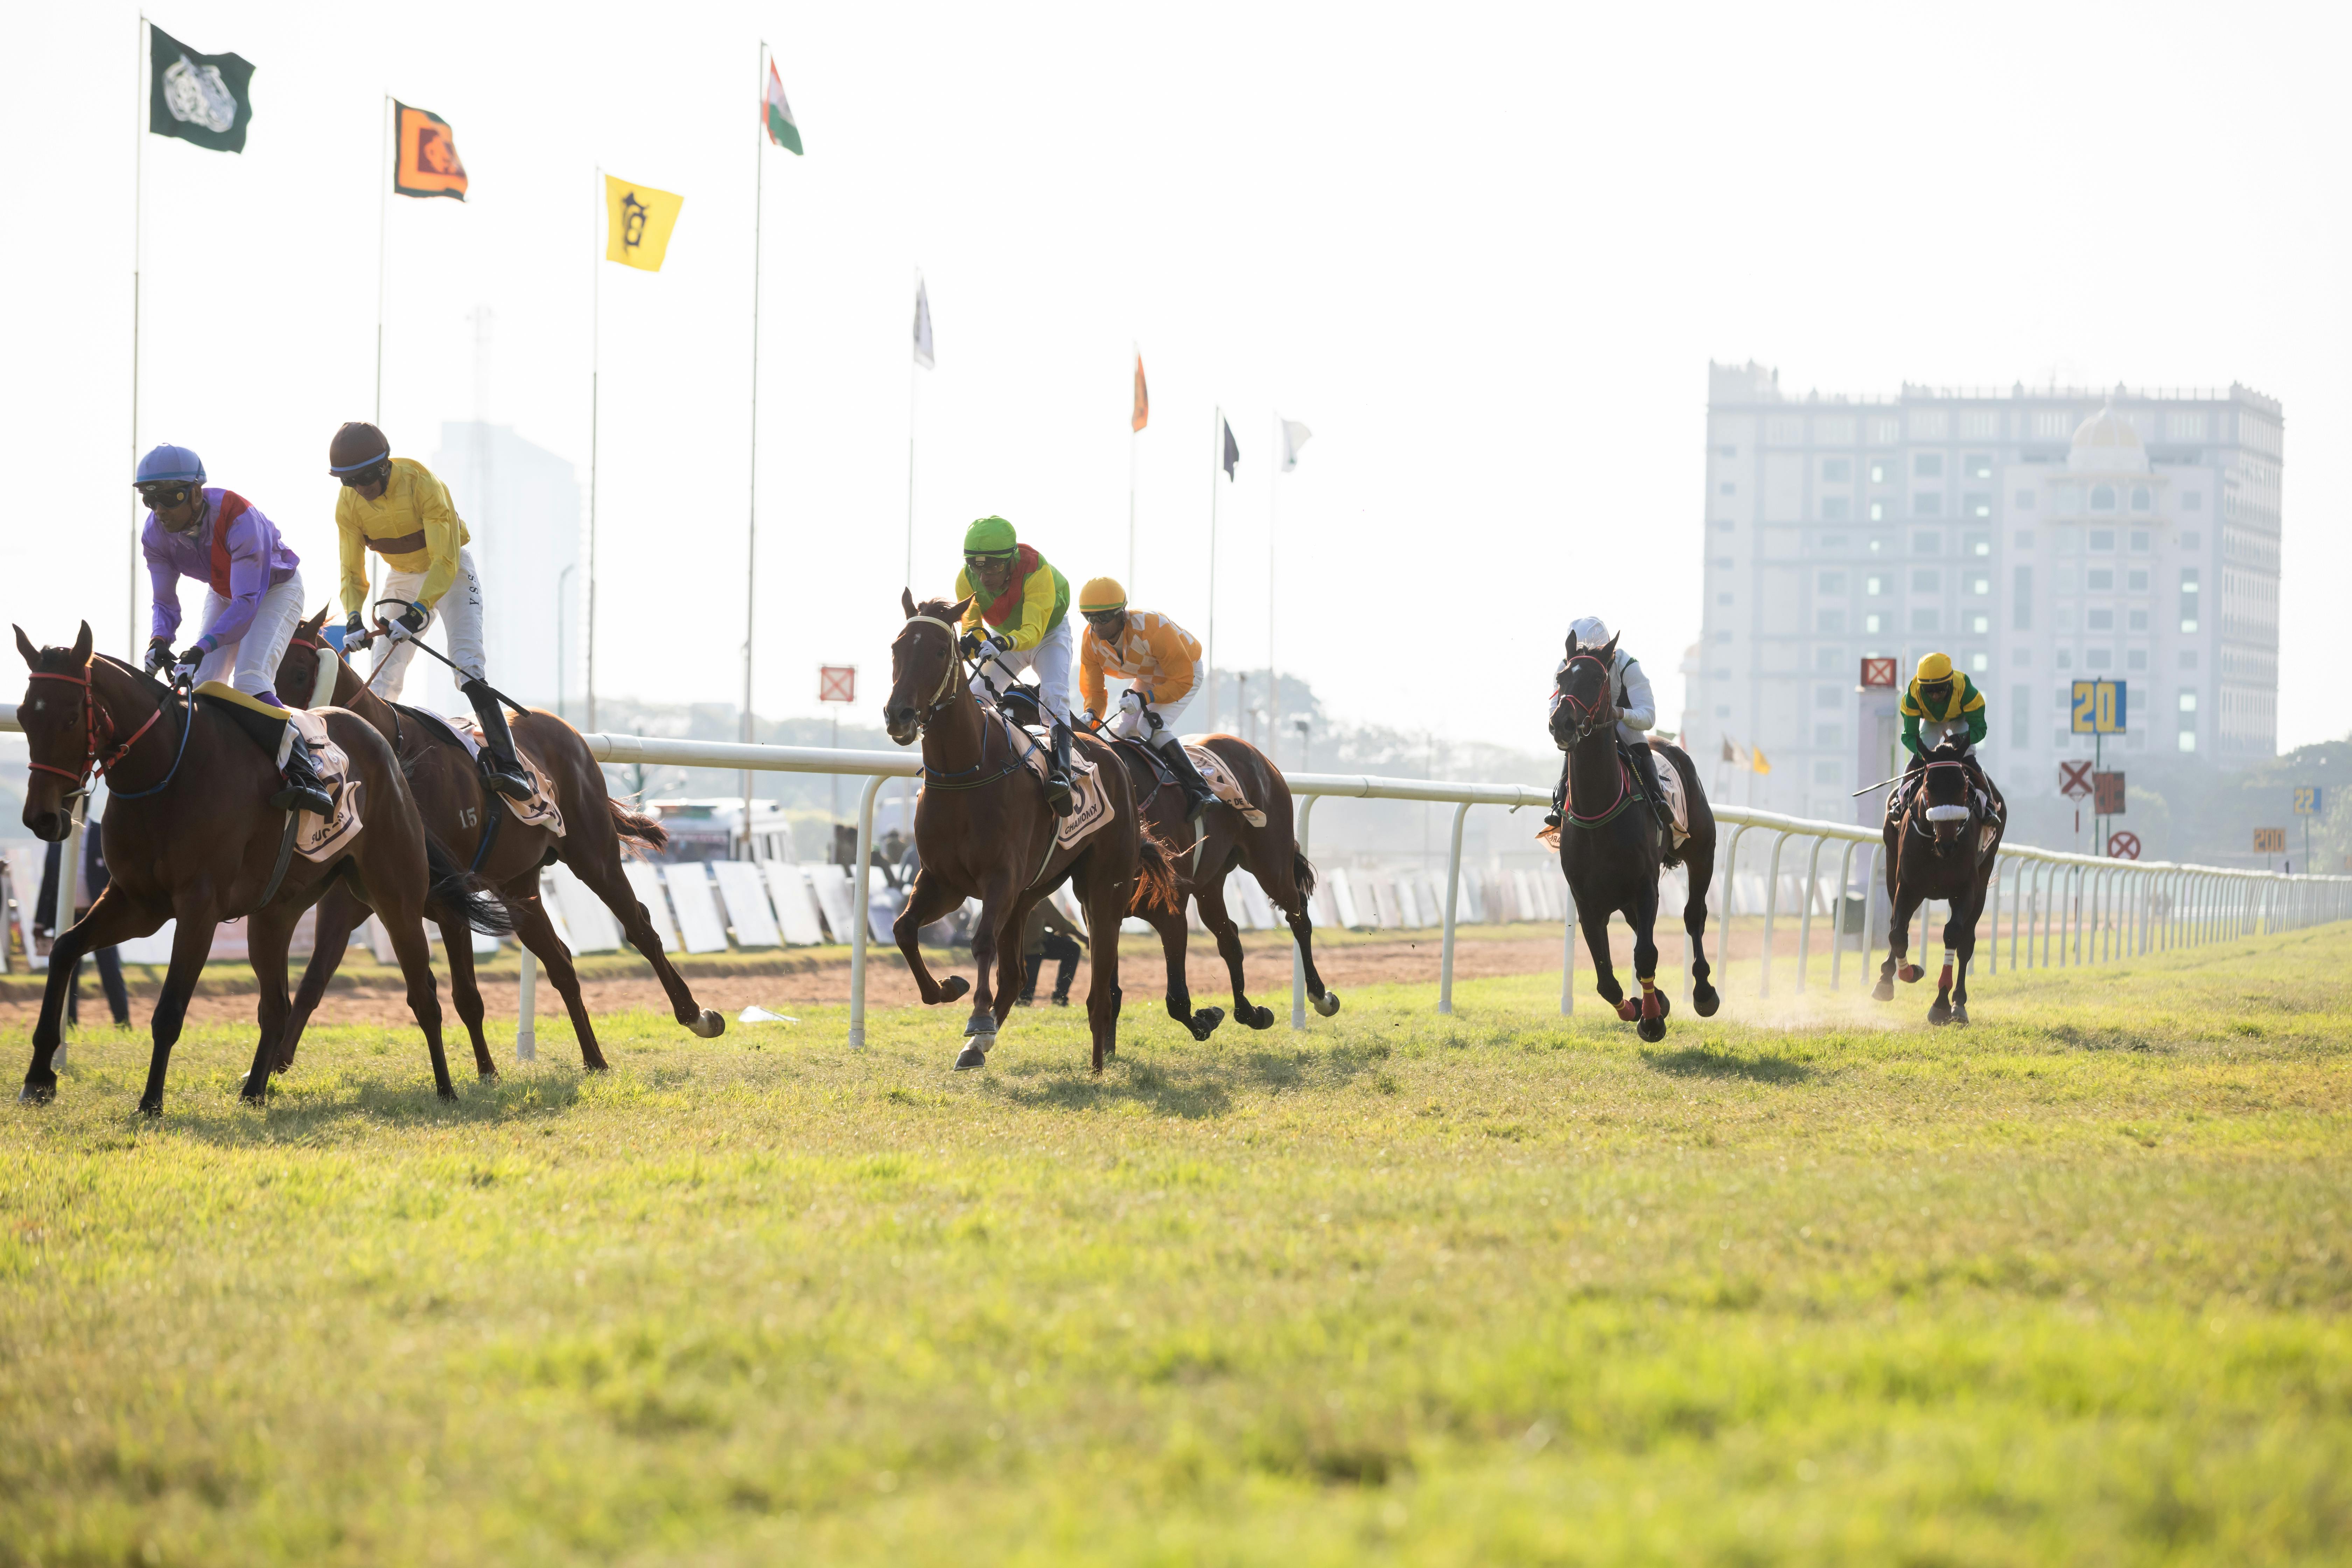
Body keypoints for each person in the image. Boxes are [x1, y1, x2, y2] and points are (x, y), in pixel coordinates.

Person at [328, 421, 531, 801]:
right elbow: (351, 571)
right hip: (403, 575)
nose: (362, 488)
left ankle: (510, 765)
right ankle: (378, 763)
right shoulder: (349, 505)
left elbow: (443, 560)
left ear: (385, 466)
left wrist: (417, 613)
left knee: (467, 666)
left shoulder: (424, 484)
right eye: (350, 481)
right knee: (382, 672)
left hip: (452, 570)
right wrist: (354, 617)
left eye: (367, 477)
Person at [134, 443, 332, 814]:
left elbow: (247, 605)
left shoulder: (238, 517)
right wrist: (159, 640)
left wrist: (201, 646)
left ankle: (308, 774)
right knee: (197, 684)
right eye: (150, 500)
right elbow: (164, 603)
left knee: (251, 681)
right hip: (226, 590)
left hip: (274, 590)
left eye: (168, 498)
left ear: (195, 493)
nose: (159, 510)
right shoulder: (154, 535)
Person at [952, 516, 1076, 816]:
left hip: (1048, 634)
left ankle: (1063, 774)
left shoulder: (1036, 570)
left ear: (1011, 560)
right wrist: (971, 637)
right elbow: (973, 622)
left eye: (992, 566)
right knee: (977, 694)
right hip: (1005, 637)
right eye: (976, 566)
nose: (983, 577)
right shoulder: (964, 579)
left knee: (1054, 696)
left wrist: (1002, 644)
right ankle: (965, 764)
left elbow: (1033, 630)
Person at [1072, 576, 1216, 821]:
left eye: (1104, 618)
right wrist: (1092, 715)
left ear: (1122, 614)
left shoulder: (1153, 627)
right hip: (1149, 674)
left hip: (1184, 672)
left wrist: (1145, 698)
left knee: (1148, 724)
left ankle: (1200, 790)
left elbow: (1181, 680)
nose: (1097, 627)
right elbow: (1095, 693)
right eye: (1090, 619)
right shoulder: (1090, 641)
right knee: (1121, 729)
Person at [1546, 615, 1671, 840]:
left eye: (1595, 655)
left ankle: (1657, 800)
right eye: (1581, 656)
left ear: (1608, 651)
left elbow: (1649, 716)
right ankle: (1558, 806)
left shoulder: (1628, 666)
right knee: (1571, 754)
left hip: (1624, 724)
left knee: (1638, 744)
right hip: (1586, 727)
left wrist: (1620, 713)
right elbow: (1555, 706)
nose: (1587, 661)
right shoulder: (1566, 668)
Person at [35, 828, 131, 1028]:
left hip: (100, 917)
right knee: (67, 971)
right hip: (67, 917)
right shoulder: (58, 835)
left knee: (111, 971)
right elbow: (49, 879)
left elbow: (118, 876)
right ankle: (69, 1024)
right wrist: (40, 921)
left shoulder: (103, 832)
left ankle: (123, 1024)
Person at [1897, 652, 1990, 811]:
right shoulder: (1912, 695)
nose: (1935, 696)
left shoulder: (1966, 689)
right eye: (1929, 691)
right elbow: (1910, 737)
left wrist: (1960, 740)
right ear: (1921, 687)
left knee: (1967, 756)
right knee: (1919, 758)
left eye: (1940, 690)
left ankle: (1989, 805)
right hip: (1931, 721)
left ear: (1950, 683)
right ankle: (1899, 802)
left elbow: (1980, 729)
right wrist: (1925, 754)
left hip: (1960, 719)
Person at [1016, 901, 1084, 1007]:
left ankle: (1060, 998)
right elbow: (1060, 922)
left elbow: (1050, 920)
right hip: (1029, 948)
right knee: (1025, 998)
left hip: (1035, 943)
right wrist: (1083, 938)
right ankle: (1060, 998)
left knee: (1072, 949)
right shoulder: (1037, 891)